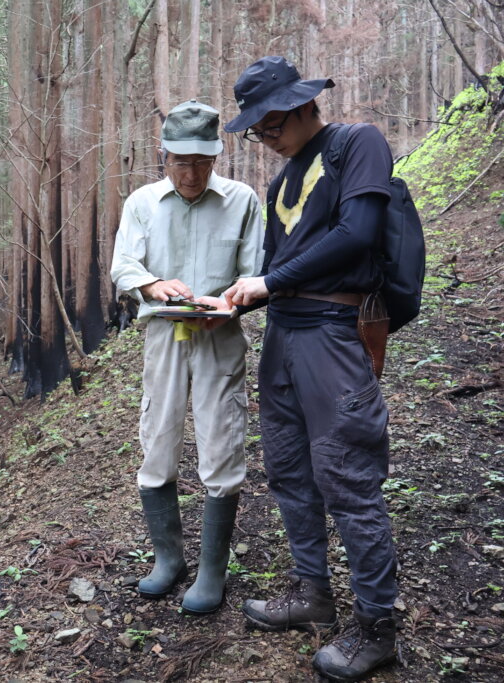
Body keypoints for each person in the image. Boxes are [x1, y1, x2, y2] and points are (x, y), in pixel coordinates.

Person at [222, 56, 398, 681]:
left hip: (333, 335)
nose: (265, 139)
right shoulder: (281, 182)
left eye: (269, 124)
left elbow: (357, 233)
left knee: (348, 478)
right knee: (290, 471)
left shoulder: (357, 144)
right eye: (256, 131)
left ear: (300, 104)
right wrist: (239, 298)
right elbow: (280, 260)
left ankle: (378, 625)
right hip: (284, 335)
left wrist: (268, 282)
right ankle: (311, 591)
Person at [110, 100, 263, 615]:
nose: (191, 172)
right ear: (165, 155)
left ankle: (212, 572)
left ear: (217, 157)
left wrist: (227, 301)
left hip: (220, 336)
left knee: (221, 441)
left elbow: (255, 273)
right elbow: (122, 265)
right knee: (158, 440)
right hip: (164, 337)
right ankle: (167, 559)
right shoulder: (143, 203)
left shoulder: (242, 200)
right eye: (181, 161)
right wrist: (153, 284)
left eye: (201, 161)